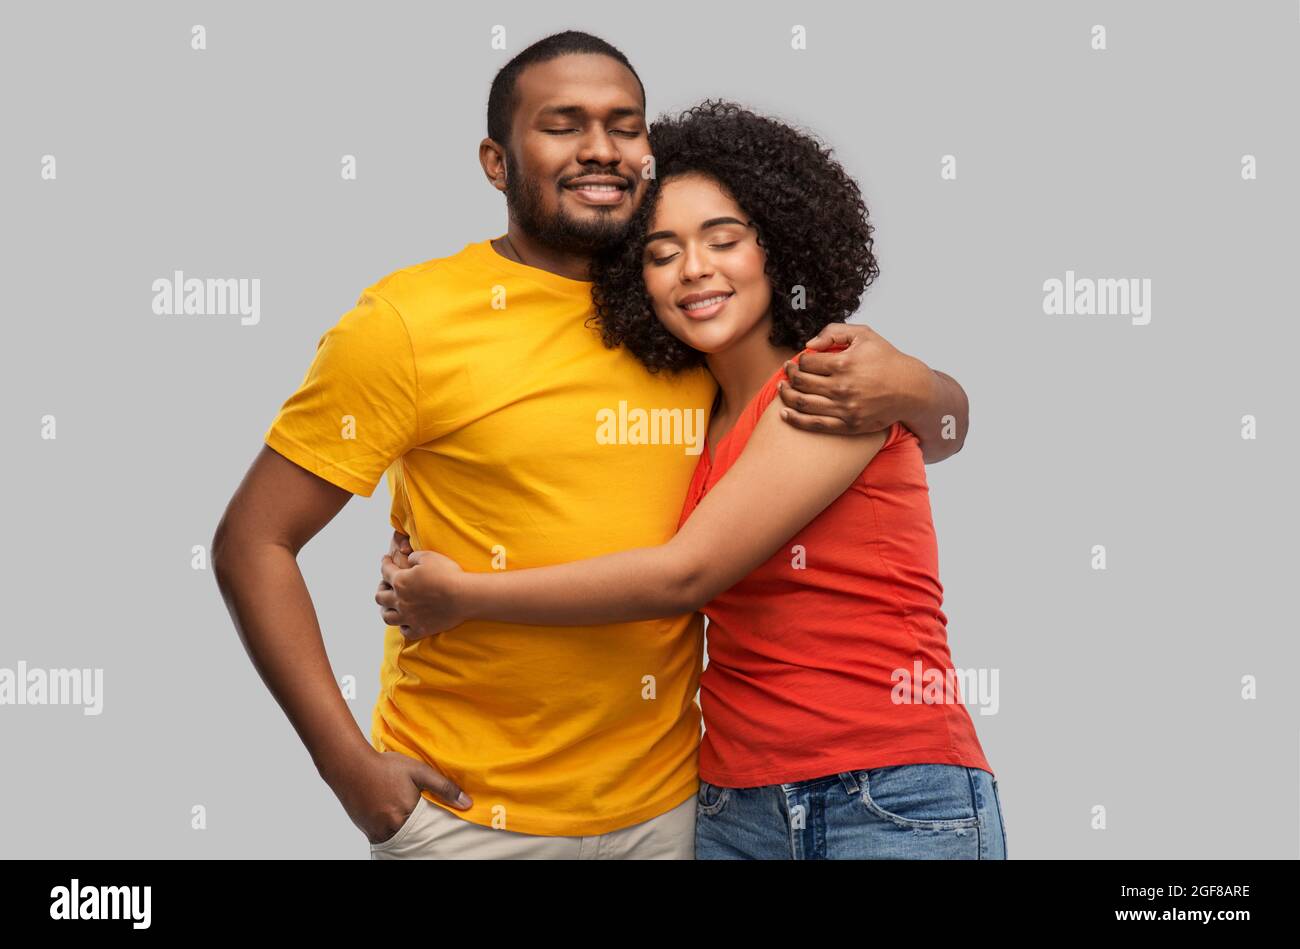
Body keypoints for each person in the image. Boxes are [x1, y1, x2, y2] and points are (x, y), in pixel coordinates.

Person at [213, 31, 971, 860]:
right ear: (496, 161)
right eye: (563, 124)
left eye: (625, 123)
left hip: (685, 808)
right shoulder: (409, 324)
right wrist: (350, 772)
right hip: (469, 811)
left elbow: (696, 564)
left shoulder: (704, 345)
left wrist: (920, 387)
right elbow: (254, 541)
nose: (600, 149)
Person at [377, 99, 1005, 860]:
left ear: (779, 244)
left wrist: (463, 596)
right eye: (661, 251)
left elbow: (683, 574)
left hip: (885, 792)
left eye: (723, 239)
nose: (695, 269)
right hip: (735, 802)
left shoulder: (832, 380)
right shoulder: (699, 416)